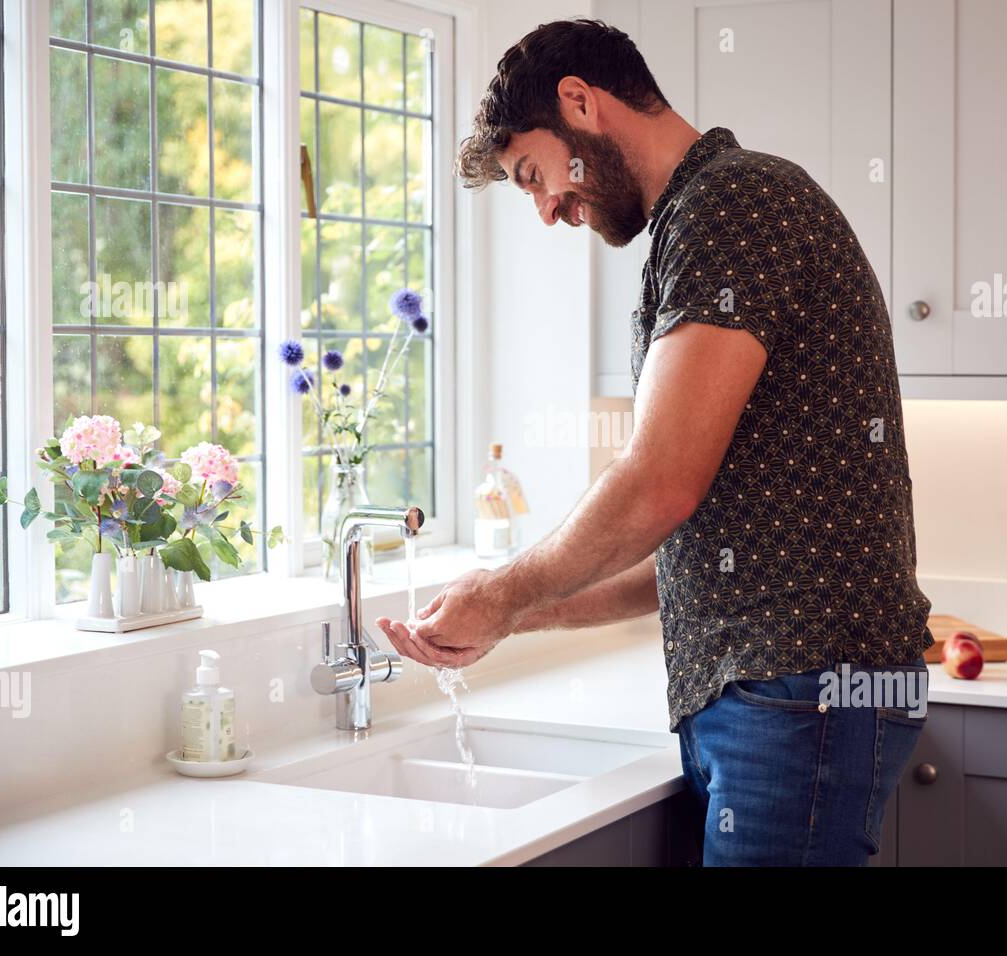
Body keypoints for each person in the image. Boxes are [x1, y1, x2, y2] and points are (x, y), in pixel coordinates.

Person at [375, 18, 933, 866]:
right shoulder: (704, 219)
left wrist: (504, 587)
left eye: (534, 175)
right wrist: (514, 610)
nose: (548, 210)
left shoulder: (734, 205)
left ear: (580, 103)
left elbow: (657, 486)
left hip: (800, 693)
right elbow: (687, 551)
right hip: (782, 693)